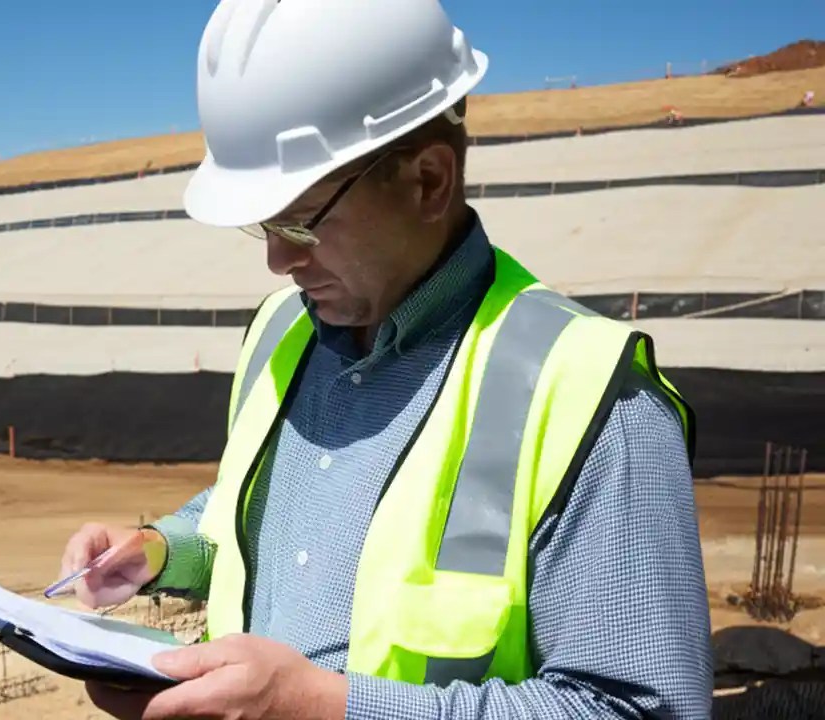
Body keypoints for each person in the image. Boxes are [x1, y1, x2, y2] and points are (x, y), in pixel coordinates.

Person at [58, 1, 713, 717]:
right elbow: (265, 529)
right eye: (264, 226)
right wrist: (159, 550)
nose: (278, 259)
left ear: (428, 181)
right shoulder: (284, 330)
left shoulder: (591, 394)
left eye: (299, 222)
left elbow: (640, 709)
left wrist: (324, 708)